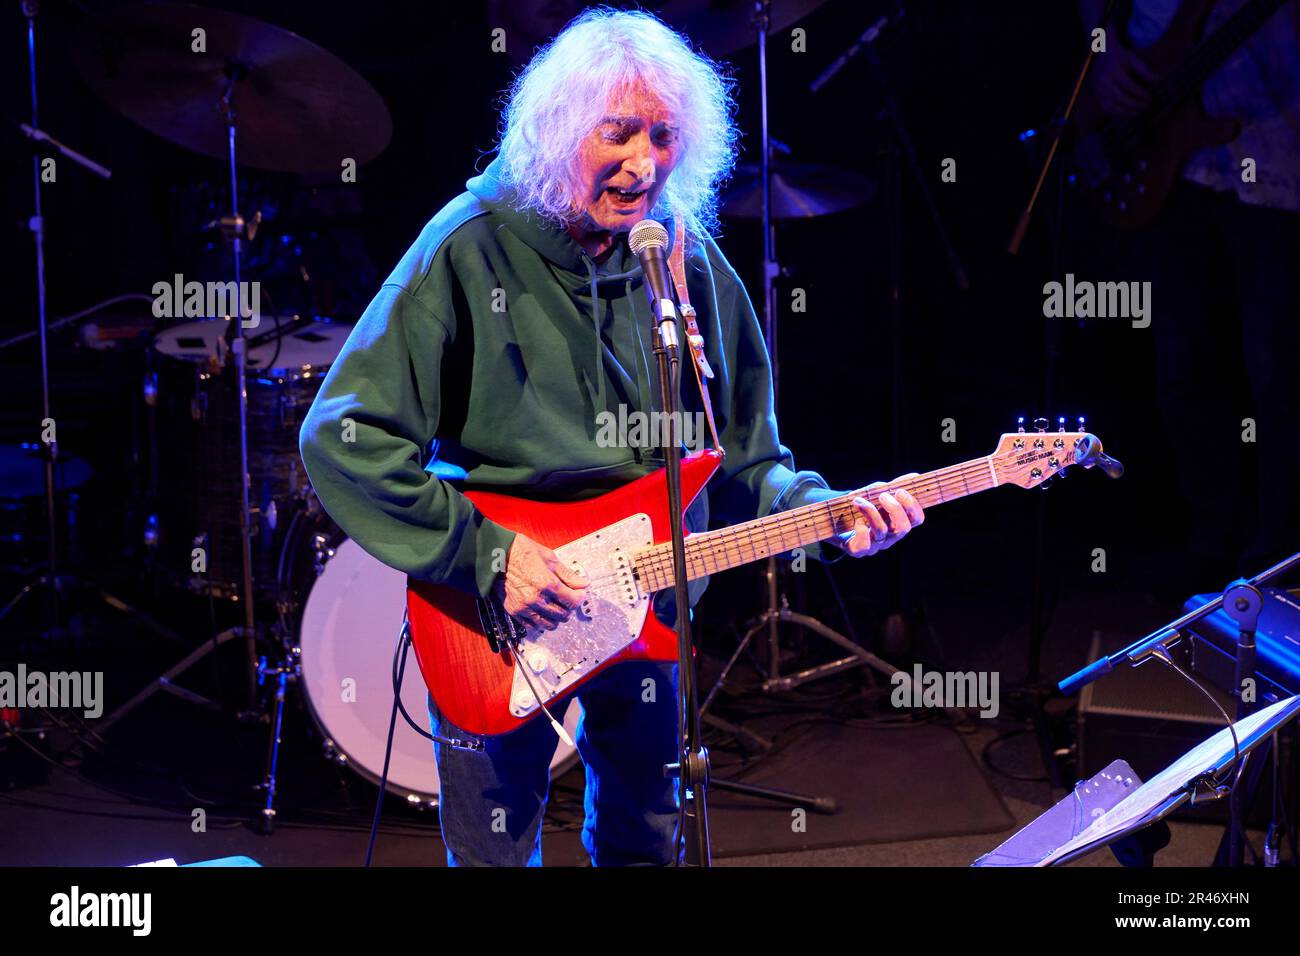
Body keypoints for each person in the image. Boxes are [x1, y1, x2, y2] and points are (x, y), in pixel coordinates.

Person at [299, 8, 923, 867]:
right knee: (492, 848)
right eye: (619, 132)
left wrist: (826, 512)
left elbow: (744, 453)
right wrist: (487, 554)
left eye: (665, 136)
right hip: (500, 606)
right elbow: (344, 433)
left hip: (655, 599)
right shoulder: (469, 244)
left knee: (647, 838)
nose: (645, 162)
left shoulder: (682, 258)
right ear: (561, 132)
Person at [1079, 0, 1300, 580]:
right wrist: (1102, 49)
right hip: (1168, 146)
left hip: (1280, 156)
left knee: (1278, 371)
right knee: (1184, 364)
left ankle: (1276, 563)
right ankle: (1211, 541)